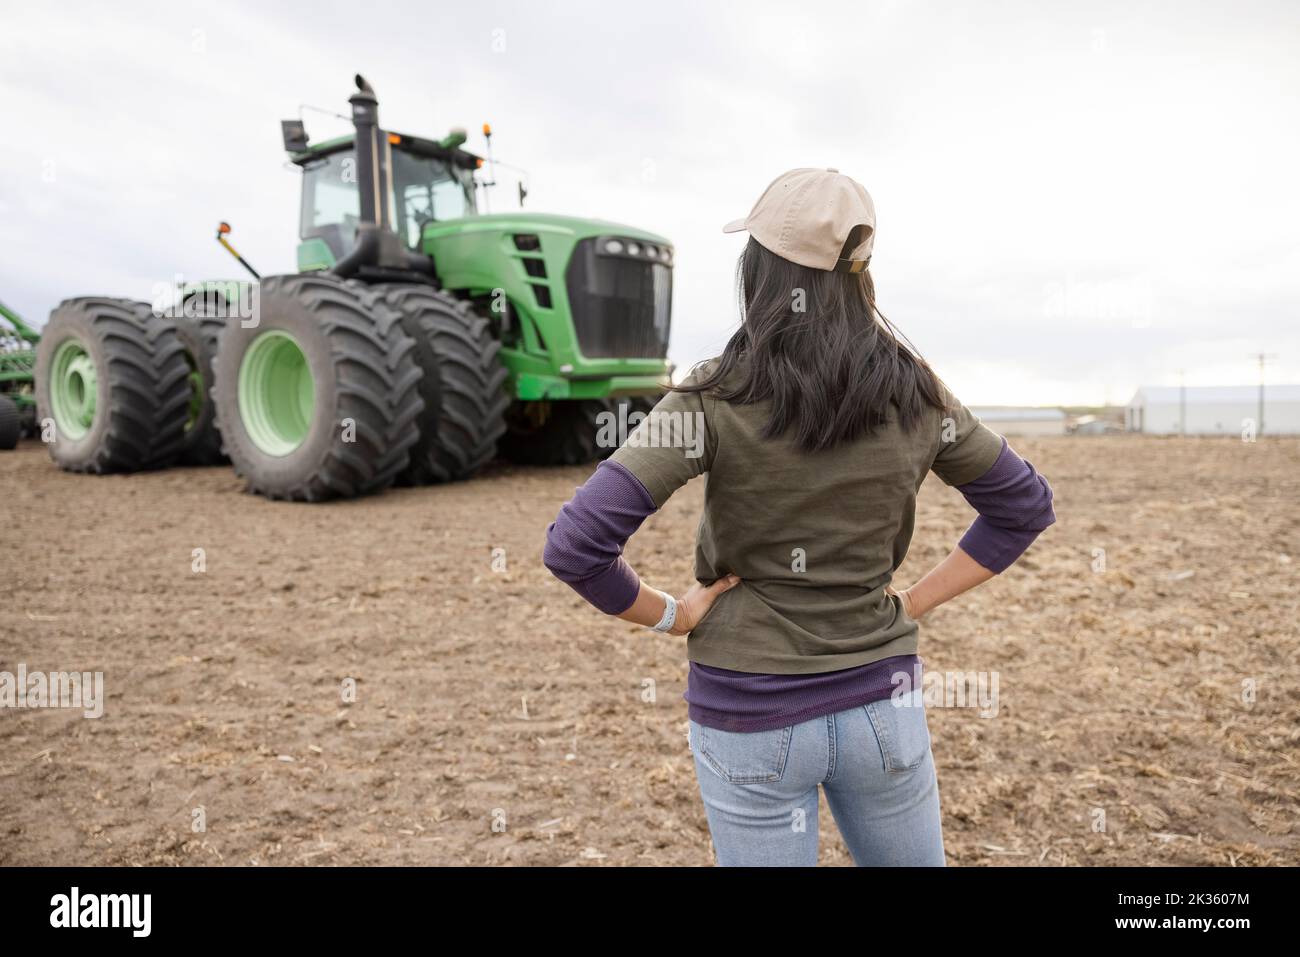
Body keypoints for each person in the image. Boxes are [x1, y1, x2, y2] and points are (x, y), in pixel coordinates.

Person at [543, 168, 1055, 866]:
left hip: (749, 714)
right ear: (860, 273)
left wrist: (672, 613)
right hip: (884, 707)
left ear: (757, 269)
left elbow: (576, 545)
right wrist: (913, 603)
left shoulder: (711, 397)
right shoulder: (918, 394)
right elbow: (1024, 505)